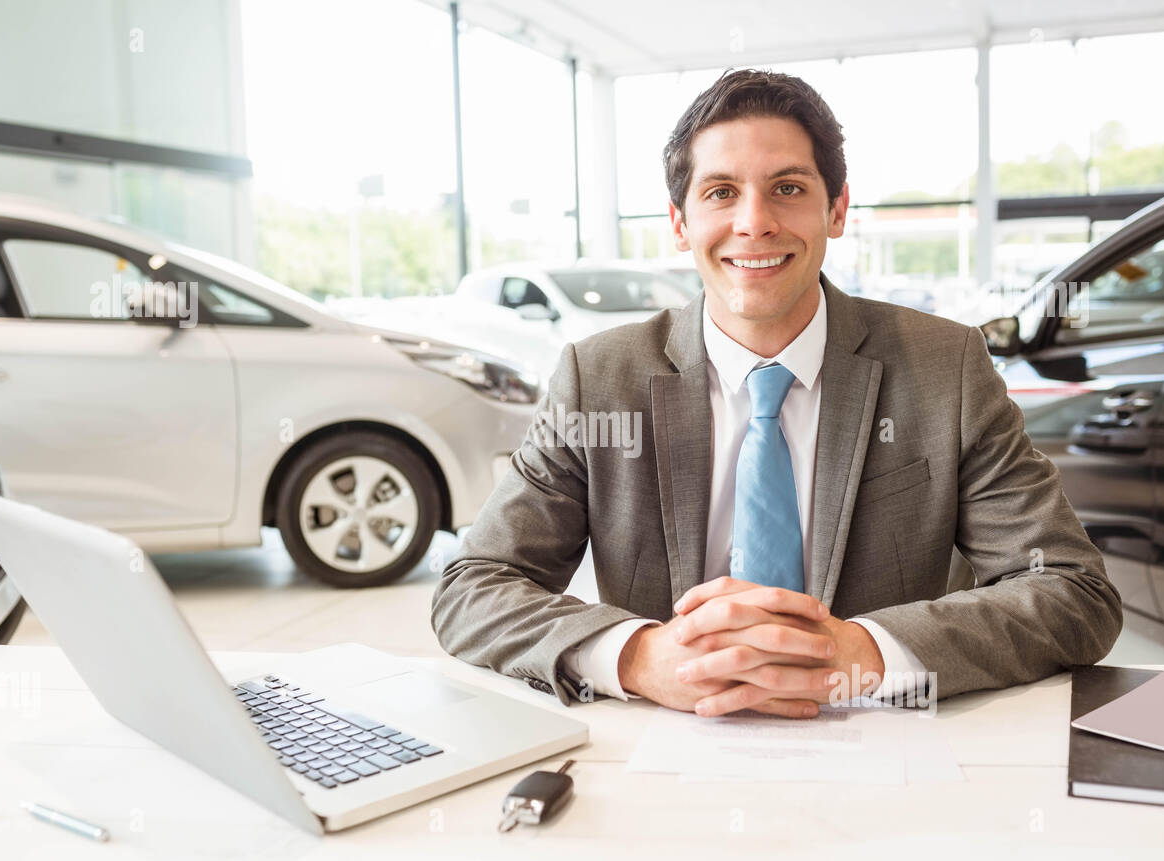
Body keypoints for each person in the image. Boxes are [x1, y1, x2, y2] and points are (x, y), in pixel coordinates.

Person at [431, 68, 1122, 718]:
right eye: (721, 192)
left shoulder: (946, 368)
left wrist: (861, 655)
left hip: (886, 748)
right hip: (668, 749)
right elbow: (474, 586)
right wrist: (640, 657)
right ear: (680, 223)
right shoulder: (597, 380)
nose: (754, 221)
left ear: (838, 210)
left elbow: (1073, 591)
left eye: (787, 188)